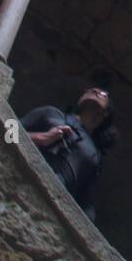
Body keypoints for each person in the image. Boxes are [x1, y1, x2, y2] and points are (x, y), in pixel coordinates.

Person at [20, 84, 118, 223]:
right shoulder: (51, 113)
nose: (95, 91)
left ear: (106, 113)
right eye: (90, 90)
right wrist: (41, 138)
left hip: (49, 207)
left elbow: (85, 201)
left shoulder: (95, 157)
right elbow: (6, 131)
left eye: (102, 93)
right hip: (23, 174)